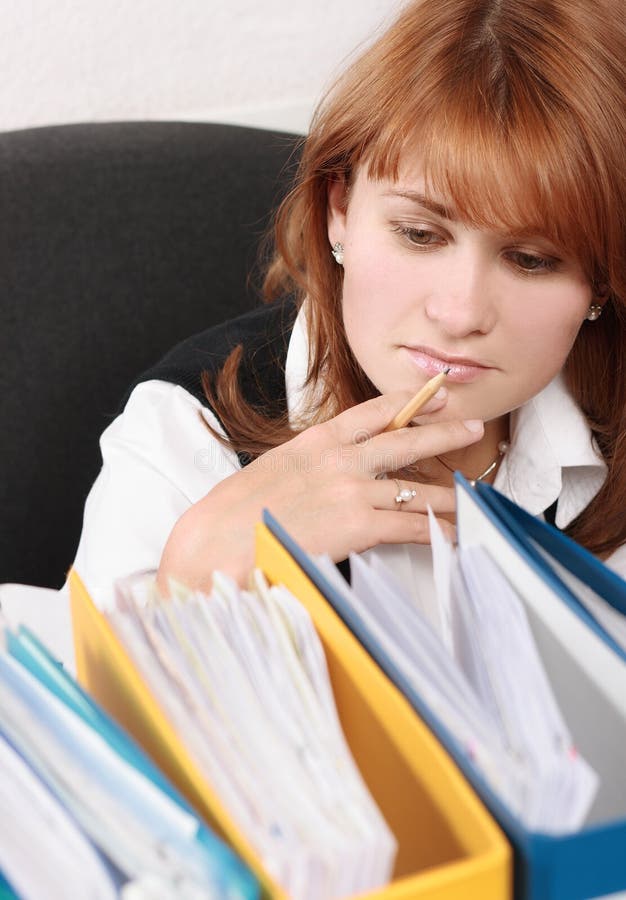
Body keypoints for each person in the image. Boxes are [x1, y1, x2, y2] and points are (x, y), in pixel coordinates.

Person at [70, 0, 626, 607]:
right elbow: (89, 664)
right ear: (341, 208)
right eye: (419, 234)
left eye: (532, 260)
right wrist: (191, 577)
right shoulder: (184, 434)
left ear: (602, 279)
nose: (461, 314)